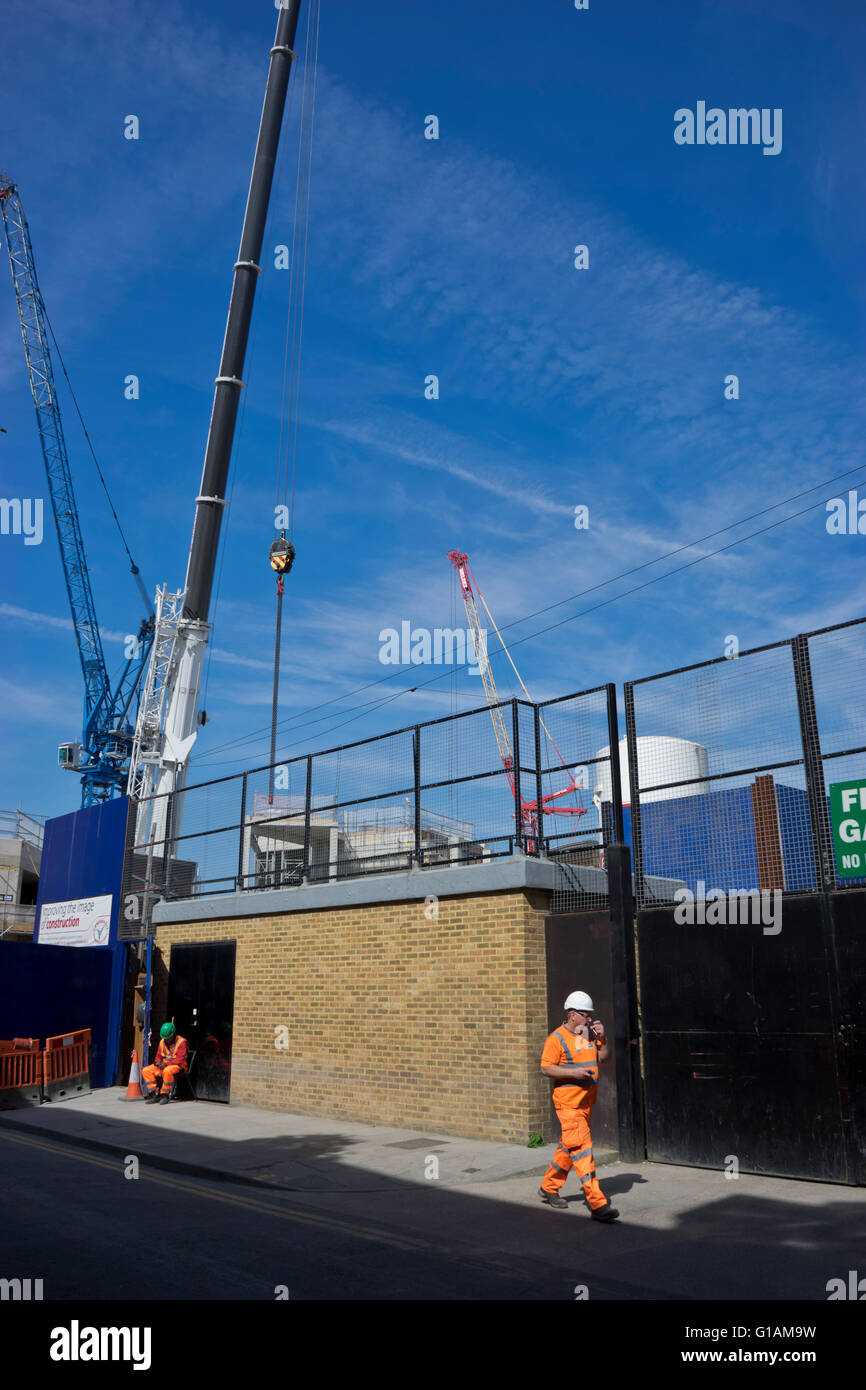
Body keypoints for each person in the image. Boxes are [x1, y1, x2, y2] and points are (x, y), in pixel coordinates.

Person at [537, 990, 619, 1222]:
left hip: (585, 1103)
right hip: (568, 1105)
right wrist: (574, 1073)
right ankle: (597, 1204)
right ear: (573, 1015)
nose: (590, 1019)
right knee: (583, 1150)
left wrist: (604, 1039)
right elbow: (545, 1068)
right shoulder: (556, 1039)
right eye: (585, 1014)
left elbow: (604, 1058)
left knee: (568, 1146)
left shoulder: (588, 1036)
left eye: (590, 1015)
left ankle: (549, 1186)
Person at [141, 1022, 189, 1105]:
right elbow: (158, 1056)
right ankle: (154, 1095)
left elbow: (180, 1059)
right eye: (165, 1038)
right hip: (164, 1065)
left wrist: (165, 1064)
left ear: (173, 1034)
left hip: (179, 1066)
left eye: (168, 1038)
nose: (166, 1039)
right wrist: (157, 1062)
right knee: (146, 1070)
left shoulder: (182, 1042)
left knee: (167, 1071)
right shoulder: (162, 1041)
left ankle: (165, 1095)